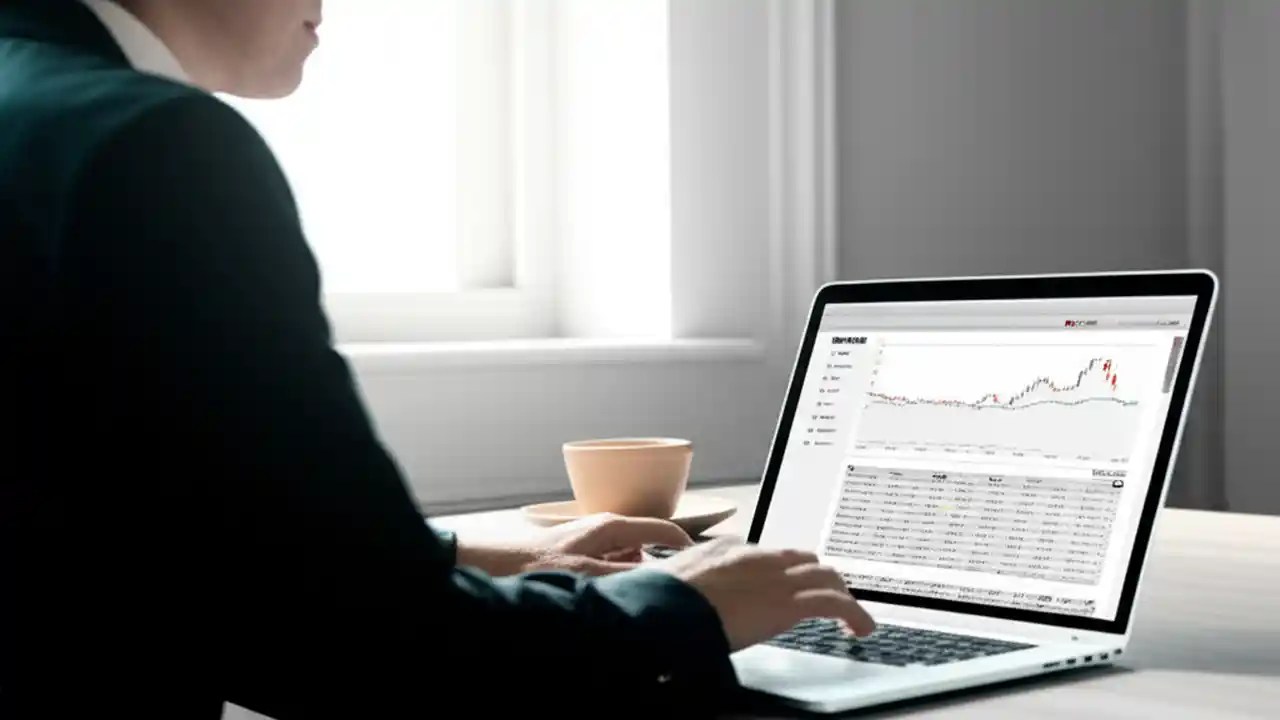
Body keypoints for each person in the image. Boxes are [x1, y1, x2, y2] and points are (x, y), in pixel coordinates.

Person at [0, 1, 875, 717]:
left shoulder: (37, 113)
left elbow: (178, 547)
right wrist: (681, 606)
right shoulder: (148, 145)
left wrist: (480, 558)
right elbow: (358, 648)